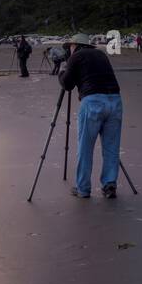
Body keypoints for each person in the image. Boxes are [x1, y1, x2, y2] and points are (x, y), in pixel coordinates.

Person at [59, 33, 123, 198]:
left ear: (77, 46)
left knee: (85, 147)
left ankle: (83, 188)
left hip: (93, 101)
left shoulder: (77, 57)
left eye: (70, 47)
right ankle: (109, 185)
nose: (69, 50)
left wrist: (62, 72)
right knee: (111, 147)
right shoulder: (101, 54)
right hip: (115, 100)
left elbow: (67, 84)